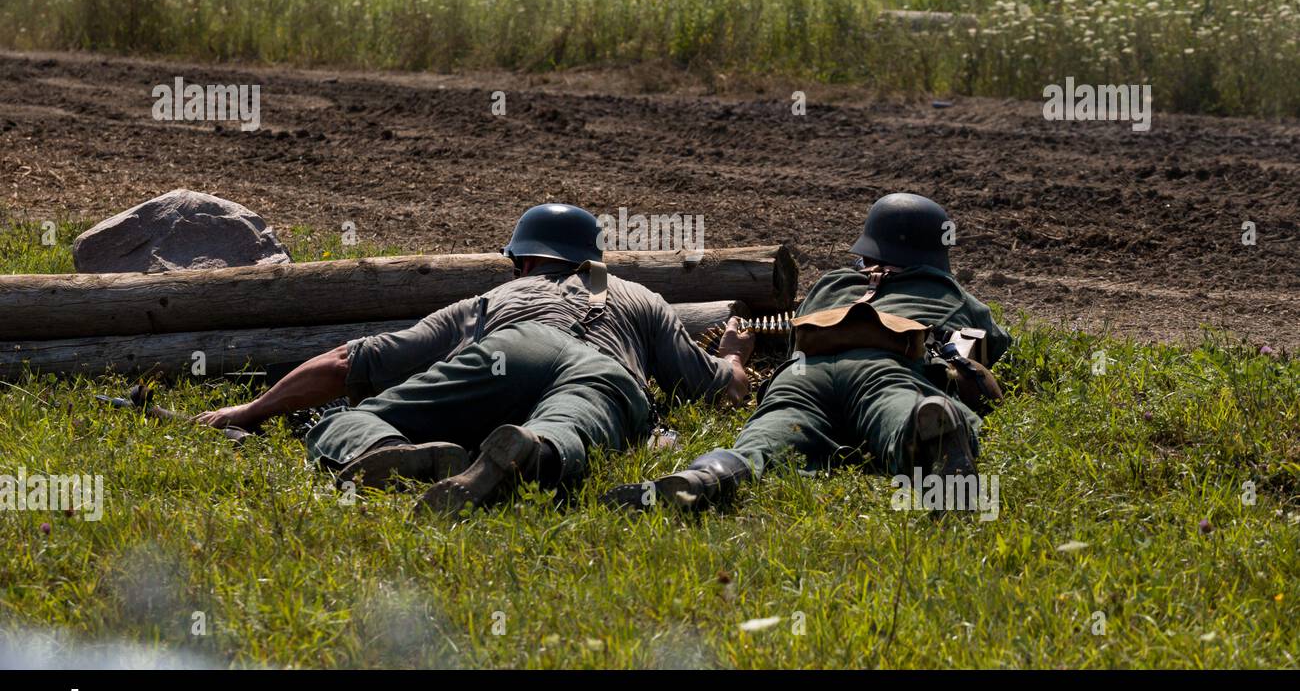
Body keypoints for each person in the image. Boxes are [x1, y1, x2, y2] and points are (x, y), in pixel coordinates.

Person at [197, 203, 754, 513]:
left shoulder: (492, 300)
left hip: (511, 350)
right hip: (602, 374)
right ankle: (529, 450)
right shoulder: (643, 299)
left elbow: (350, 363)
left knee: (348, 418)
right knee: (565, 433)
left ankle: (391, 449)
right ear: (594, 259)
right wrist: (732, 356)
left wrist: (246, 412)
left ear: (521, 262)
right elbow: (715, 389)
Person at [606, 192, 1010, 513]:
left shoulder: (833, 282)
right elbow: (995, 340)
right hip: (883, 368)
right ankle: (927, 440)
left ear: (868, 250)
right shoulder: (949, 292)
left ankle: (708, 477)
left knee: (764, 440)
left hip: (804, 375)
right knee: (898, 411)